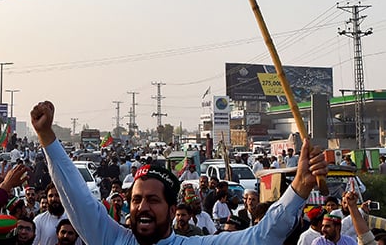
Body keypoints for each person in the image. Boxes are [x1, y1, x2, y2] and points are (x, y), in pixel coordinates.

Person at [30, 100, 329, 245]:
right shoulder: (112, 239)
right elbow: (77, 197)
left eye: (152, 200)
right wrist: (47, 137)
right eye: (137, 200)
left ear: (173, 209)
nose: (142, 207)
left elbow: (261, 237)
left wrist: (299, 189)